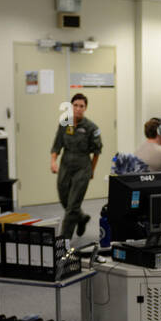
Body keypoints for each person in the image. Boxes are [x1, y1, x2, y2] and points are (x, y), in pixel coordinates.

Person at [50, 93, 102, 240]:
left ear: (85, 108)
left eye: (82, 106)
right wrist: (53, 162)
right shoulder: (64, 123)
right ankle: (81, 217)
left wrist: (92, 170)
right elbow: (56, 146)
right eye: (75, 105)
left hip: (82, 167)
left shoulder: (92, 128)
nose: (78, 109)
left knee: (72, 206)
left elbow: (97, 152)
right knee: (64, 199)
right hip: (65, 165)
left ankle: (63, 241)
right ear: (71, 106)